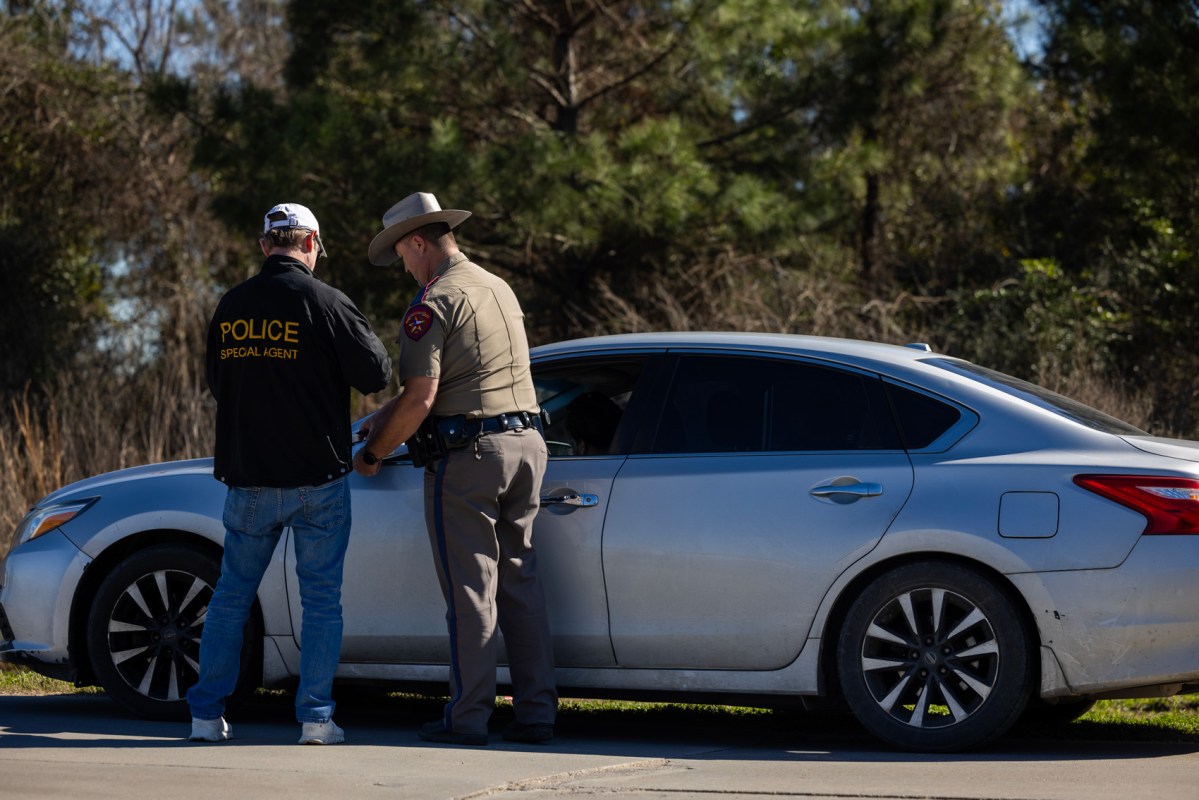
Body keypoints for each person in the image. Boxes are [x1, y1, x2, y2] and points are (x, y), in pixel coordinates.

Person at [353, 191, 556, 746]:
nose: (404, 268)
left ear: (417, 242)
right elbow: (475, 375)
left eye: (402, 256)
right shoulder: (498, 287)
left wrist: (372, 454)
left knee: (472, 592)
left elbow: (422, 397)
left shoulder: (432, 302)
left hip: (470, 459)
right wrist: (384, 415)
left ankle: (467, 719)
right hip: (527, 446)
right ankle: (537, 714)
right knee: (522, 585)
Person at [188, 202, 391, 745]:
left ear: (264, 246)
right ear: (312, 244)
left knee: (230, 598)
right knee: (321, 601)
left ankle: (205, 716)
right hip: (317, 480)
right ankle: (316, 720)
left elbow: (216, 382)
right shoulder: (327, 302)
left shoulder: (232, 305)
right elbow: (375, 372)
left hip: (249, 480)